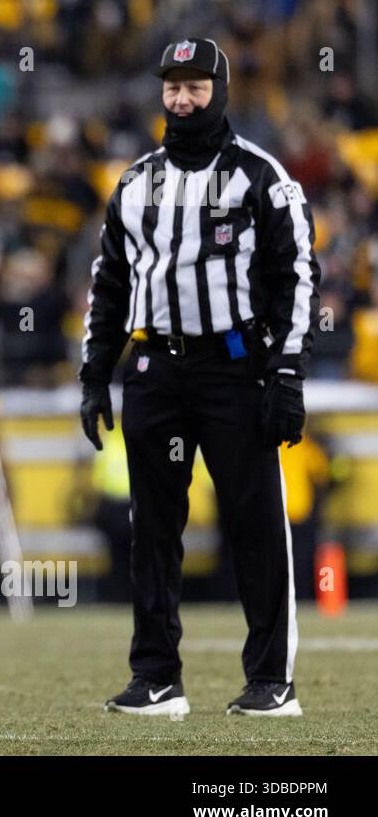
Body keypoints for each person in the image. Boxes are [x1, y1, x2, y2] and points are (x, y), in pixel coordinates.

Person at [80, 38, 320, 718]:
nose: (182, 100)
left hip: (234, 367)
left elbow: (297, 276)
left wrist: (287, 371)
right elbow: (110, 283)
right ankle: (156, 676)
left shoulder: (259, 175)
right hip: (154, 367)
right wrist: (96, 373)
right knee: (152, 527)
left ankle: (271, 681)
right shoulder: (135, 181)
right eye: (172, 87)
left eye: (196, 87)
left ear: (220, 89)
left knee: (255, 525)